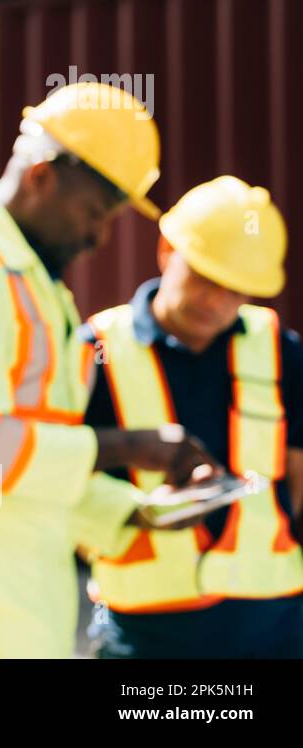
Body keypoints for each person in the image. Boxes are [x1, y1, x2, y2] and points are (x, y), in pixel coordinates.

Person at [0, 82, 214, 658]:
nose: (96, 238)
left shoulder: (30, 283)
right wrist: (132, 446)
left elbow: (32, 466)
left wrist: (131, 513)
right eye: (92, 214)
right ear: (41, 176)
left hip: (7, 578)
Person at [80, 176, 303, 658]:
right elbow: (62, 475)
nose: (217, 301)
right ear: (166, 251)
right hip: (143, 632)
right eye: (206, 277)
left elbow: (297, 474)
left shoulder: (281, 350)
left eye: (236, 289)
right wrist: (137, 511)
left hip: (276, 627)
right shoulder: (95, 349)